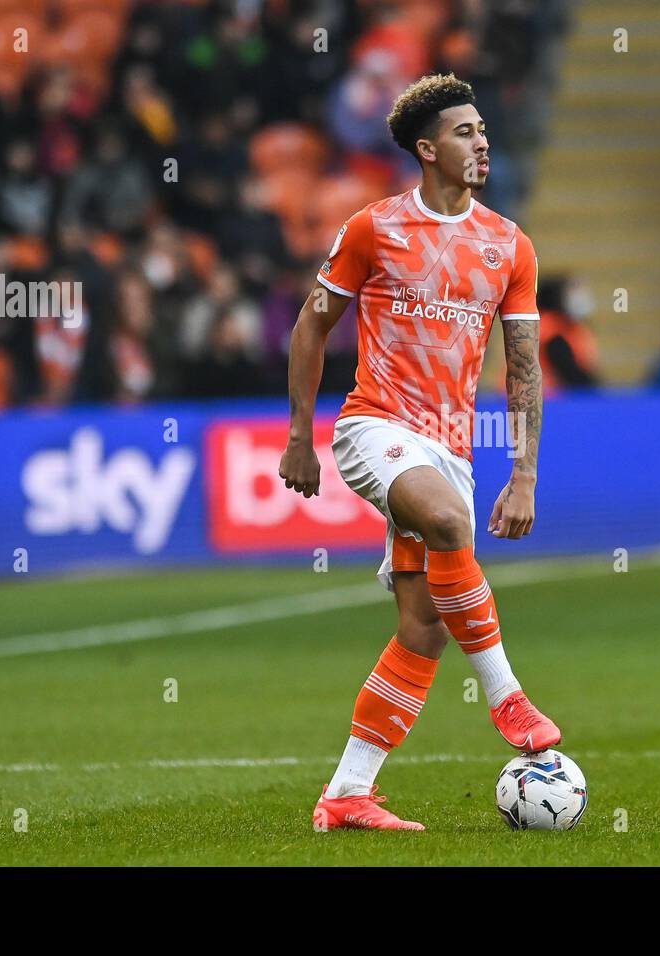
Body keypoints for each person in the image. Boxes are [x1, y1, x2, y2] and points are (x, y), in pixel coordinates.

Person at [278, 74, 560, 832]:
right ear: (428, 150)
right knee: (448, 523)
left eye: (484, 130)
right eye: (466, 132)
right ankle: (506, 695)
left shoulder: (510, 245)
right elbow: (311, 326)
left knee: (425, 625)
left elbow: (523, 368)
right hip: (374, 426)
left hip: (451, 449)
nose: (482, 142)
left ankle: (347, 794)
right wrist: (301, 434)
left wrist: (524, 474)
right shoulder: (373, 229)